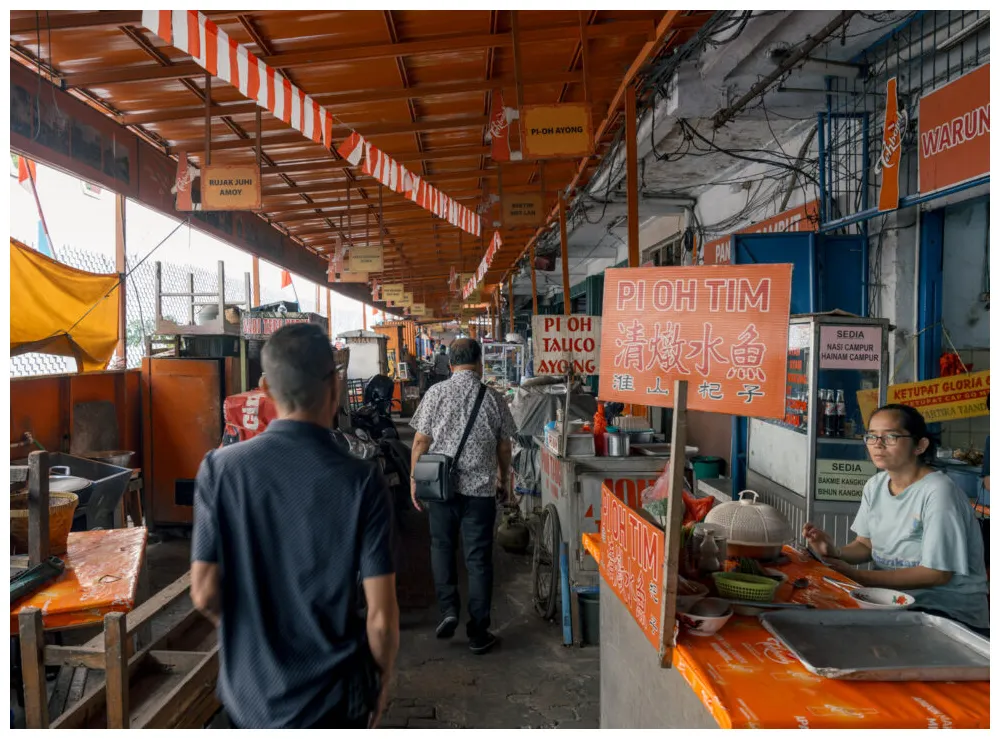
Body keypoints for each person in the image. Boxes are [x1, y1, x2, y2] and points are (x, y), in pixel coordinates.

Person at [190, 323, 399, 729]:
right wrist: (381, 681)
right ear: (335, 386)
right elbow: (380, 617)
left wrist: (254, 638)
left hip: (250, 699)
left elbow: (204, 593)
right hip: (333, 701)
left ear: (265, 391)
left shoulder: (220, 469)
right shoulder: (361, 480)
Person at [803, 403, 989, 636]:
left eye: (890, 436)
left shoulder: (938, 492)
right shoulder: (876, 485)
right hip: (897, 603)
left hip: (947, 614)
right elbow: (865, 545)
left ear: (920, 445)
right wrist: (834, 552)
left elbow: (937, 573)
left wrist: (857, 577)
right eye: (871, 436)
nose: (878, 445)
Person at [409, 338, 516, 655]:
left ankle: (449, 610)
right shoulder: (493, 398)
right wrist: (503, 479)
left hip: (441, 489)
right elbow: (505, 446)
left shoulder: (436, 393)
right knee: (479, 560)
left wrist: (415, 481)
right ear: (480, 362)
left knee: (442, 547)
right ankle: (479, 633)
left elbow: (419, 442)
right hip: (480, 493)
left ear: (450, 365)